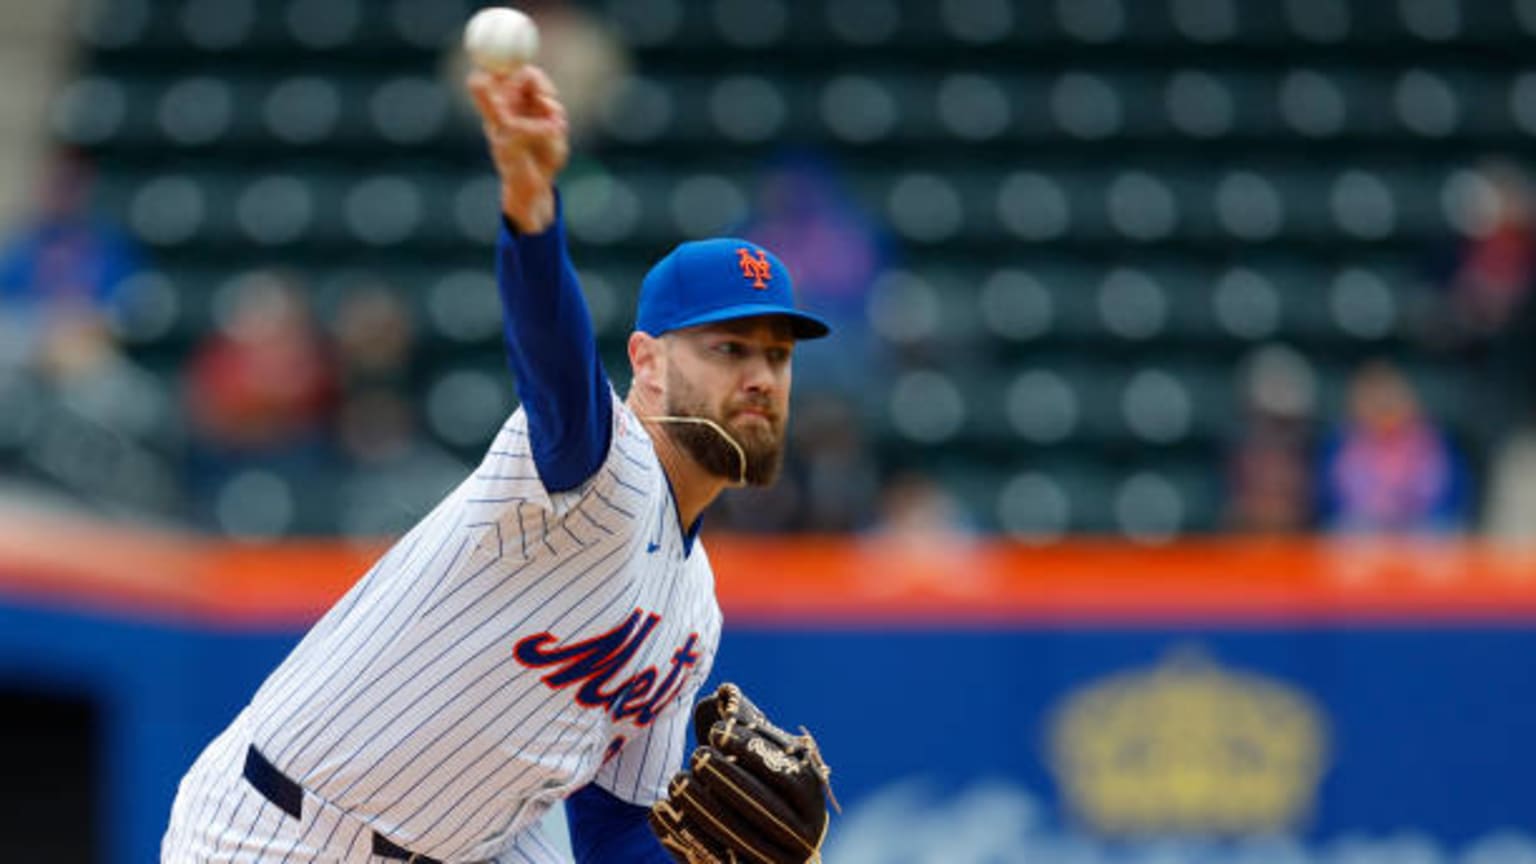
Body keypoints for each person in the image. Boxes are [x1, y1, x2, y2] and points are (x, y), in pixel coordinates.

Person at [161, 62, 830, 863]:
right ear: (647, 363)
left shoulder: (695, 610)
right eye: (727, 348)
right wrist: (530, 208)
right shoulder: (599, 471)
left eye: (777, 355)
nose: (760, 375)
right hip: (281, 834)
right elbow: (555, 357)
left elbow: (614, 829)